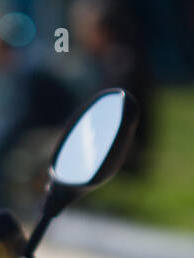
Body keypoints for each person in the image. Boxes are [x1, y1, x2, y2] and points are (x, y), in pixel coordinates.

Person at [0, 20, 75, 212]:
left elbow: (23, 115)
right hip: (43, 125)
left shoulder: (25, 70)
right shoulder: (15, 68)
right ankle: (3, 205)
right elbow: (8, 111)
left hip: (58, 128)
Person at [72, 0, 154, 176]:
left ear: (102, 30)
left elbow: (108, 118)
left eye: (85, 28)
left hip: (124, 149)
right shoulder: (110, 61)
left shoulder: (119, 64)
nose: (81, 36)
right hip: (112, 144)